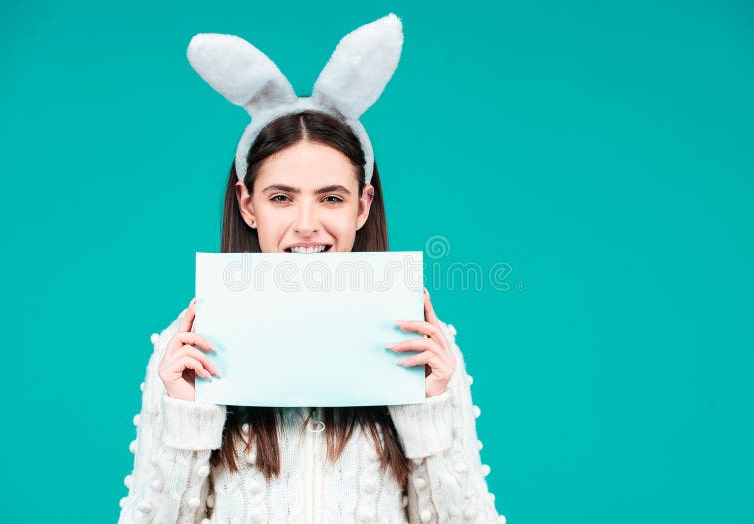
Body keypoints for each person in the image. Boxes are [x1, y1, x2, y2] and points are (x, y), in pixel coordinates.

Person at [118, 13, 505, 524]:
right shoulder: (185, 349)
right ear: (247, 204)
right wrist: (186, 421)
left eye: (331, 198)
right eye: (281, 197)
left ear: (362, 206)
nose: (306, 224)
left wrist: (429, 413)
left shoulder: (427, 348)